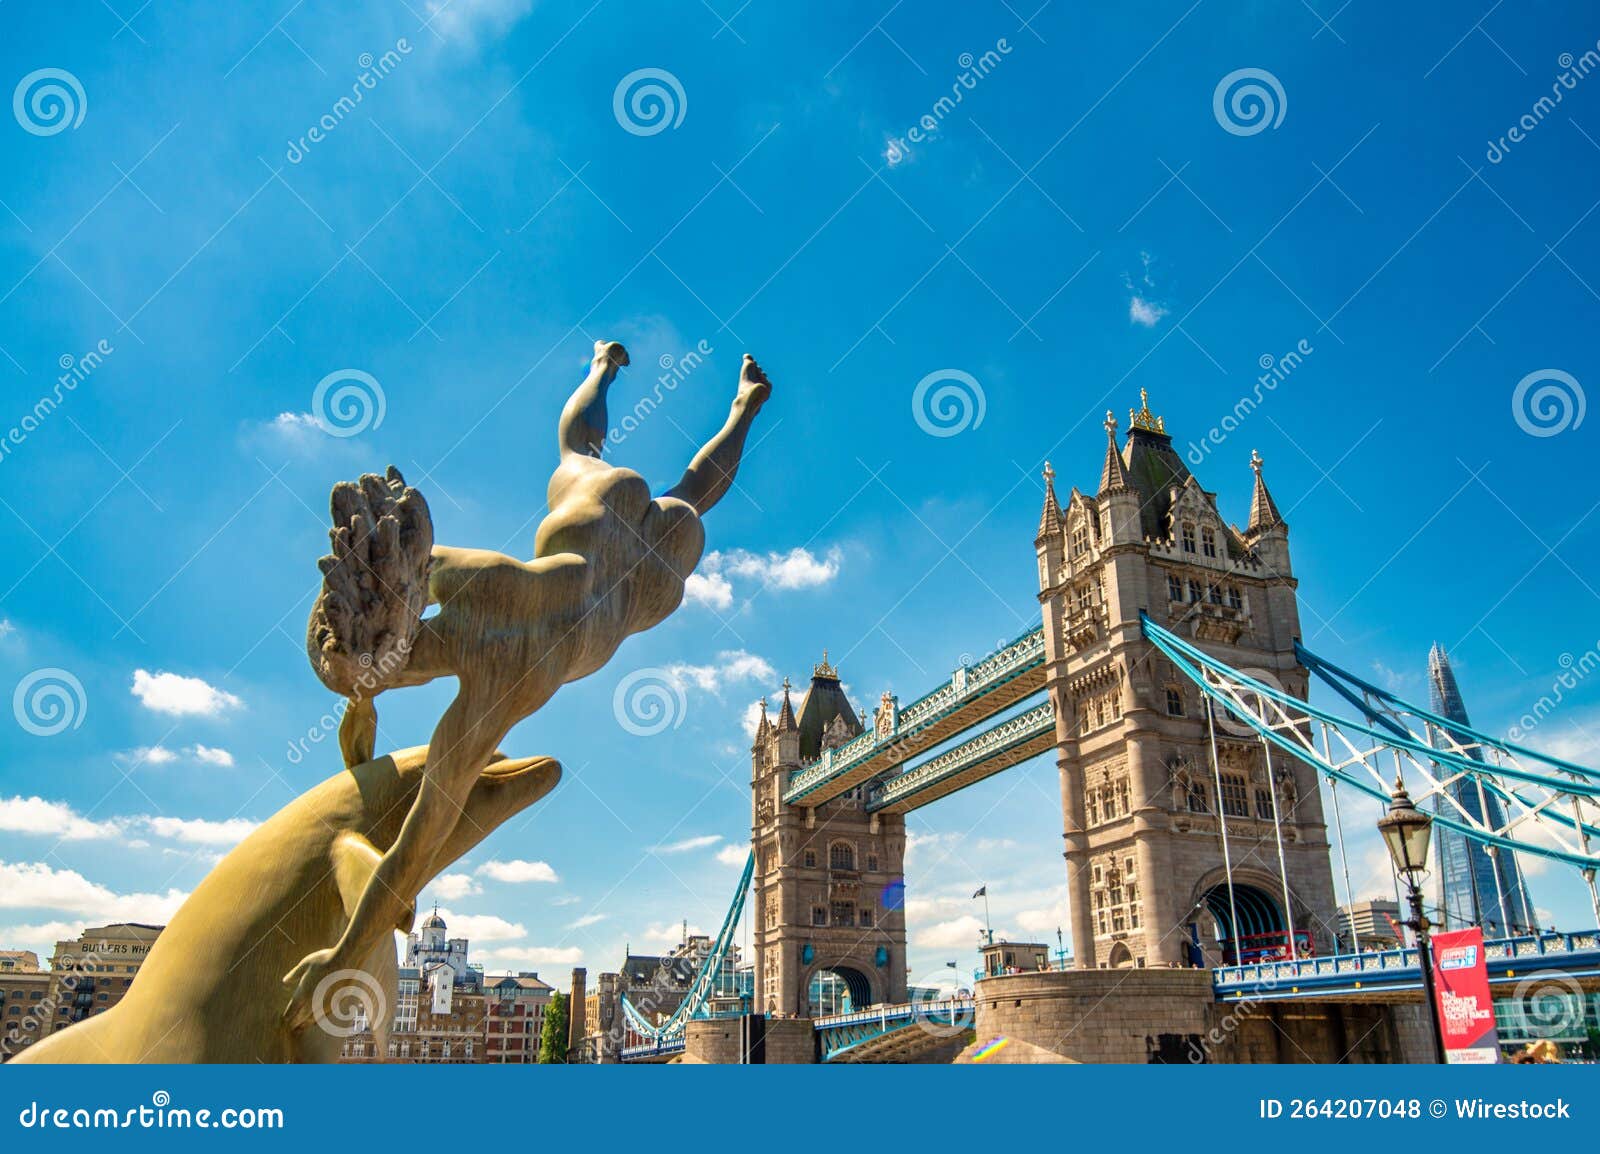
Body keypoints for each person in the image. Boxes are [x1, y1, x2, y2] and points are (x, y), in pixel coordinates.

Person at [283, 340, 772, 1028]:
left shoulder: (495, 694)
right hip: (597, 526)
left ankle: (742, 407)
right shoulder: (465, 580)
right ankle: (610, 367)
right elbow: (396, 576)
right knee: (582, 452)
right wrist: (360, 683)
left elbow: (417, 844)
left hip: (645, 586)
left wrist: (344, 954)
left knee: (689, 498)